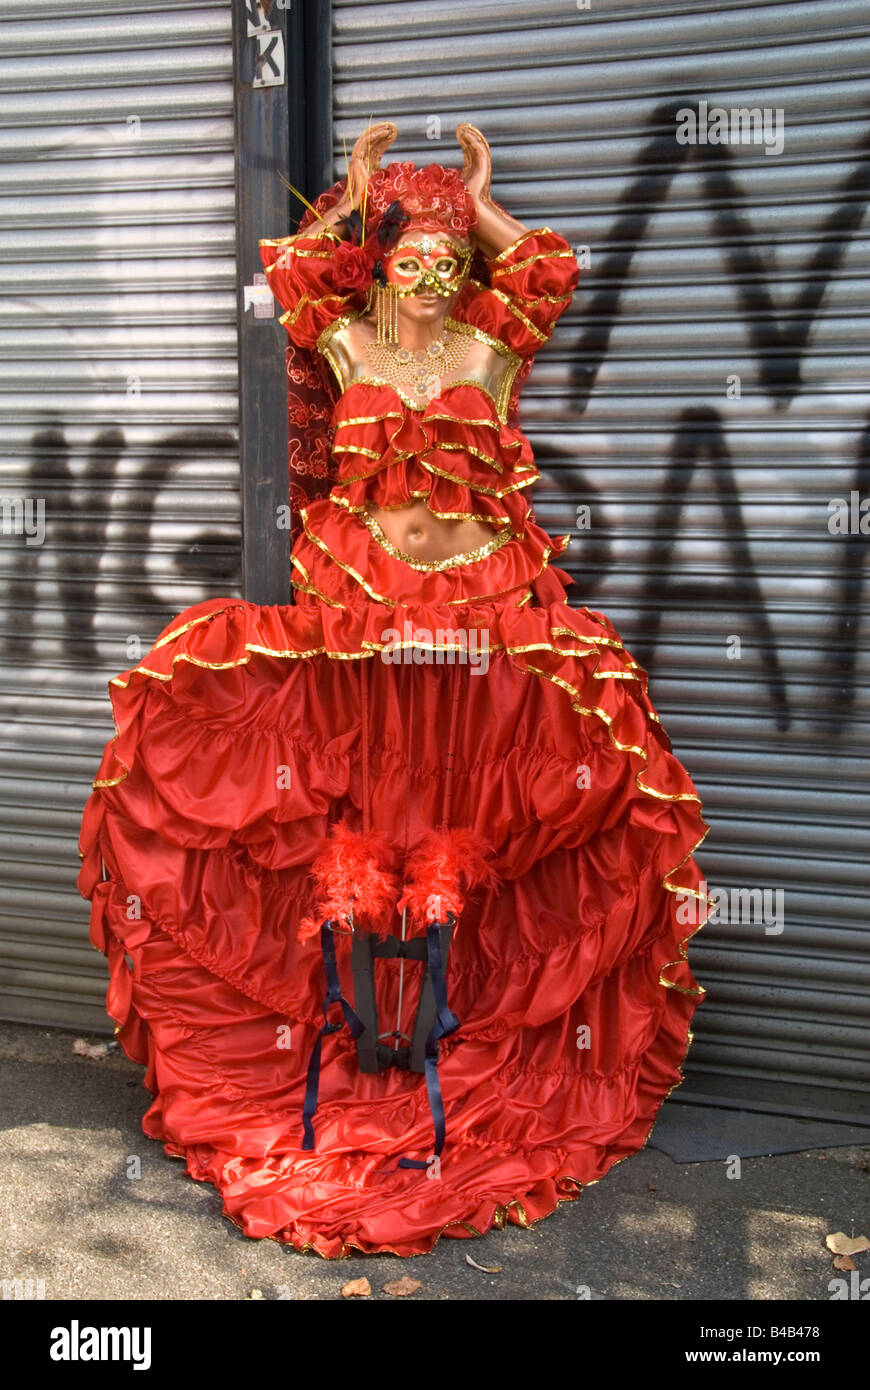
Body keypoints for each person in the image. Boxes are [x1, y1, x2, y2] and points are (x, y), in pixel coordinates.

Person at [77, 123, 712, 1260]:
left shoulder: (490, 352)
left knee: (470, 818)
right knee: (363, 818)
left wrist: (477, 199)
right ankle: (368, 1040)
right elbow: (289, 276)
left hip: (485, 604)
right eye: (411, 261)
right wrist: (360, 197)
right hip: (358, 598)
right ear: (386, 270)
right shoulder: (349, 350)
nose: (428, 279)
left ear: (464, 274)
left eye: (446, 264)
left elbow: (551, 271)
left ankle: (447, 1038)